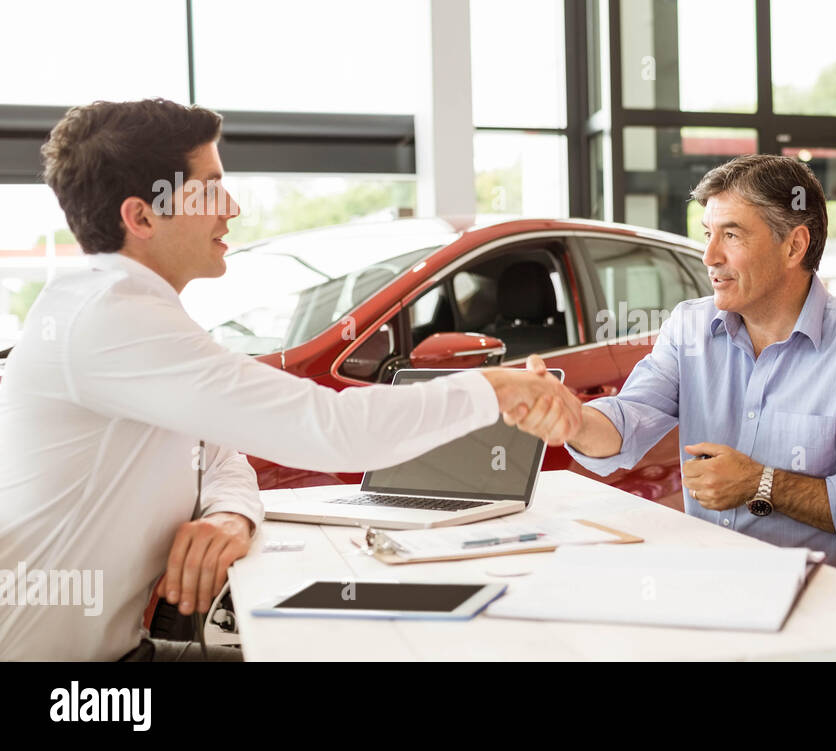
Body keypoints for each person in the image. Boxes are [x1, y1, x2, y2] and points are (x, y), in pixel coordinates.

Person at [0, 99, 578, 661]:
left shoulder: (128, 312)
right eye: (210, 188)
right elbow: (333, 431)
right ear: (142, 216)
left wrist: (231, 514)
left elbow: (222, 457)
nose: (232, 208)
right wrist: (496, 389)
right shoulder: (110, 319)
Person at [505, 154, 836, 583]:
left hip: (826, 608)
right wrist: (576, 420)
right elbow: (630, 418)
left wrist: (764, 484)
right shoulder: (690, 327)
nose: (709, 255)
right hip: (708, 585)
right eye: (707, 234)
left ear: (794, 245)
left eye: (731, 234)